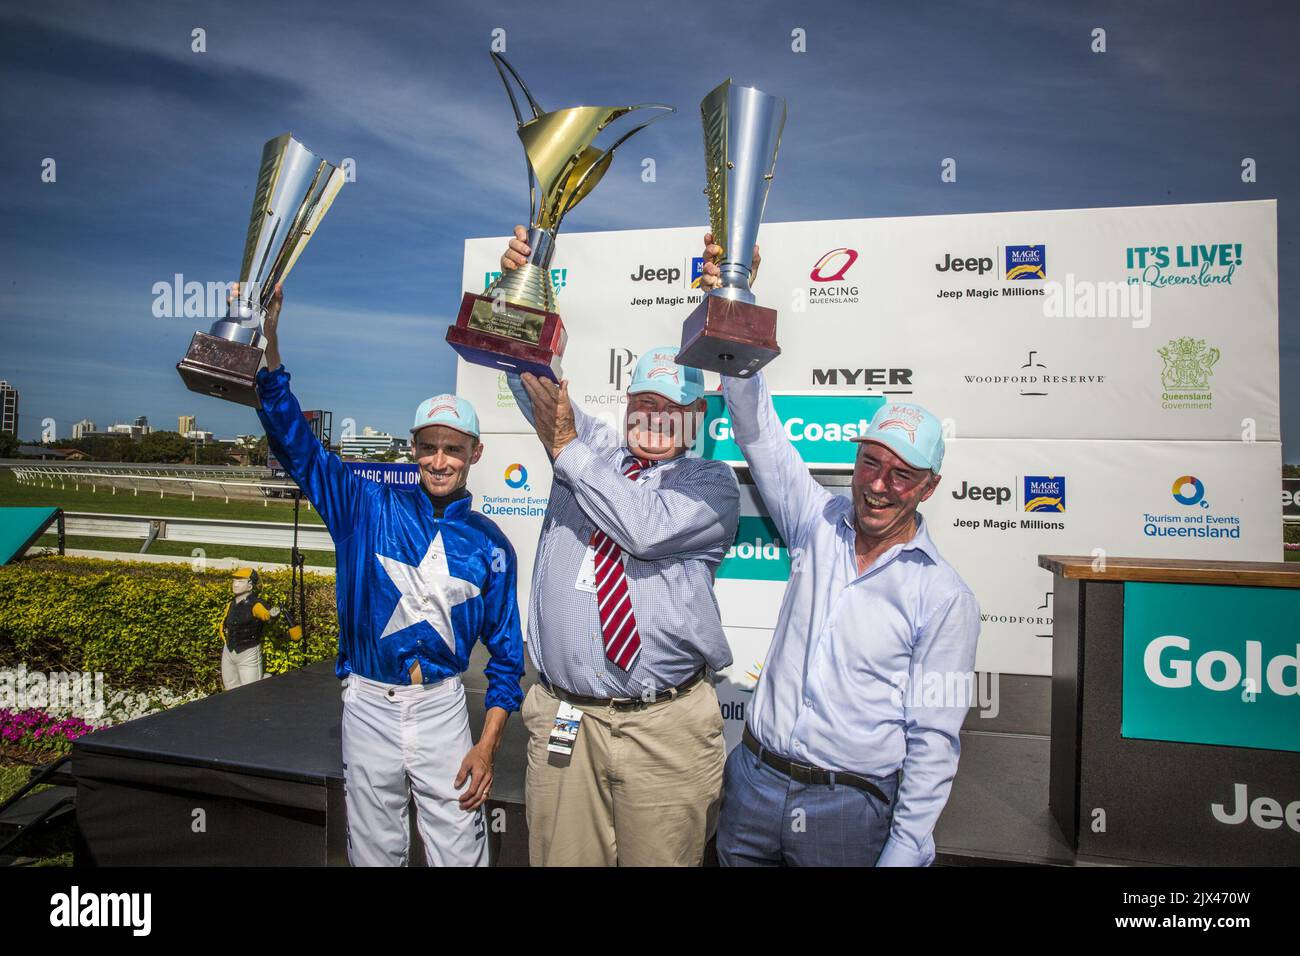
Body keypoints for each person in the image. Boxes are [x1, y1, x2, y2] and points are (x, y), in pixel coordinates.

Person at [700, 235, 982, 867]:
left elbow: (934, 740)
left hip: (850, 813)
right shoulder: (816, 521)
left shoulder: (944, 598)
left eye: (901, 474)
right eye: (870, 462)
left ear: (929, 487)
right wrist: (734, 306)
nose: (879, 484)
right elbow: (758, 430)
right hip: (751, 785)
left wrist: (905, 852)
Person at [246, 281, 525, 867]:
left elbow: (506, 660)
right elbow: (298, 447)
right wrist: (270, 341)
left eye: (454, 448)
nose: (440, 460)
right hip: (367, 703)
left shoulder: (493, 545)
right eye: (429, 447)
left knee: (459, 854)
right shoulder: (363, 506)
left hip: (445, 707)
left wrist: (487, 744)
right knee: (375, 854)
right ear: (414, 448)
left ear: (475, 453)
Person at [498, 225, 741, 866]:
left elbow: (641, 527)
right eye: (643, 404)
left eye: (674, 408)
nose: (655, 420)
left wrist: (568, 446)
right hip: (564, 721)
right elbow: (537, 383)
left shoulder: (711, 486)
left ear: (698, 417)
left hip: (664, 727)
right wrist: (525, 290)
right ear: (626, 402)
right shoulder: (592, 447)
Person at [218, 567, 278, 689]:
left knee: (251, 689)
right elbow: (224, 622)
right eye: (234, 581)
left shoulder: (255, 604)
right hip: (229, 650)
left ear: (250, 586)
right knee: (230, 686)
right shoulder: (231, 604)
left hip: (248, 651)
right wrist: (224, 636)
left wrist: (271, 615)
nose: (235, 584)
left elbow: (265, 615)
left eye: (240, 581)